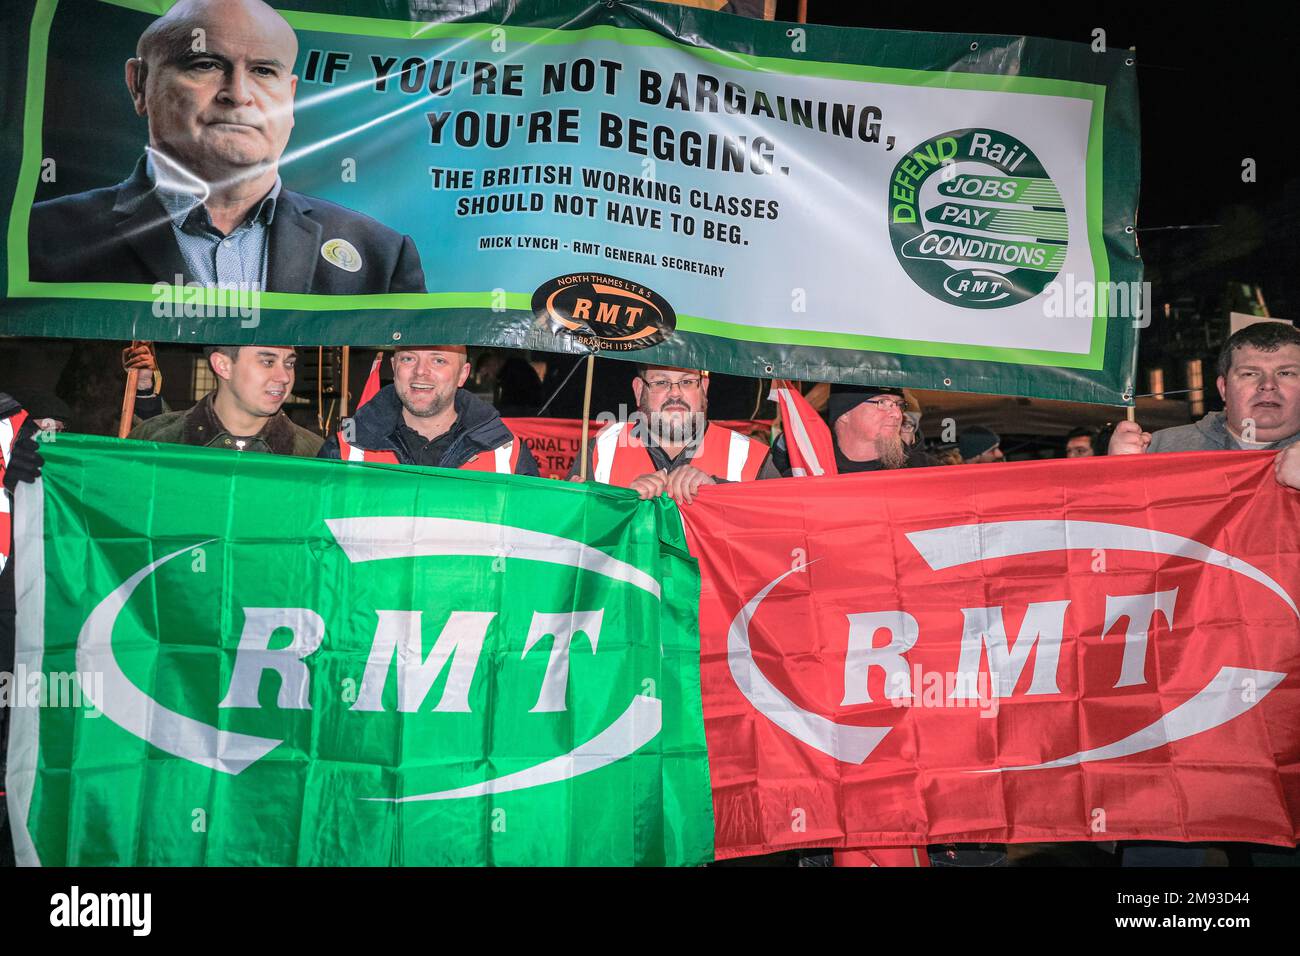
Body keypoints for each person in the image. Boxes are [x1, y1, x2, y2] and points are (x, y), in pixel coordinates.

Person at [29, 0, 425, 294]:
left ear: (290, 97)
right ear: (139, 85)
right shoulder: (38, 239)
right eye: (205, 65)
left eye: (263, 71)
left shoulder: (381, 256)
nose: (238, 94)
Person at [317, 346, 539, 475]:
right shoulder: (345, 450)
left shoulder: (507, 455)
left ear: (463, 374)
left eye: (438, 360)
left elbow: (532, 539)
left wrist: (565, 508)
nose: (421, 372)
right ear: (394, 367)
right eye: (409, 358)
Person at [570, 364, 774, 501]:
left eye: (686, 382)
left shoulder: (750, 456)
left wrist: (719, 491)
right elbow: (575, 541)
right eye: (661, 382)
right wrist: (622, 505)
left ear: (704, 388)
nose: (675, 393)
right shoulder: (600, 450)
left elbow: (781, 533)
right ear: (639, 390)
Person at [1110, 321, 1300, 461]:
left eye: (1286, 373)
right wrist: (1117, 474)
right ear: (1223, 388)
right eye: (1250, 374)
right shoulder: (1158, 449)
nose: (1267, 384)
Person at [129, 345, 322, 455]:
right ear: (223, 366)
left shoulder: (314, 456)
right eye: (268, 362)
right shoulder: (156, 442)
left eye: (289, 363)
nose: (285, 377)